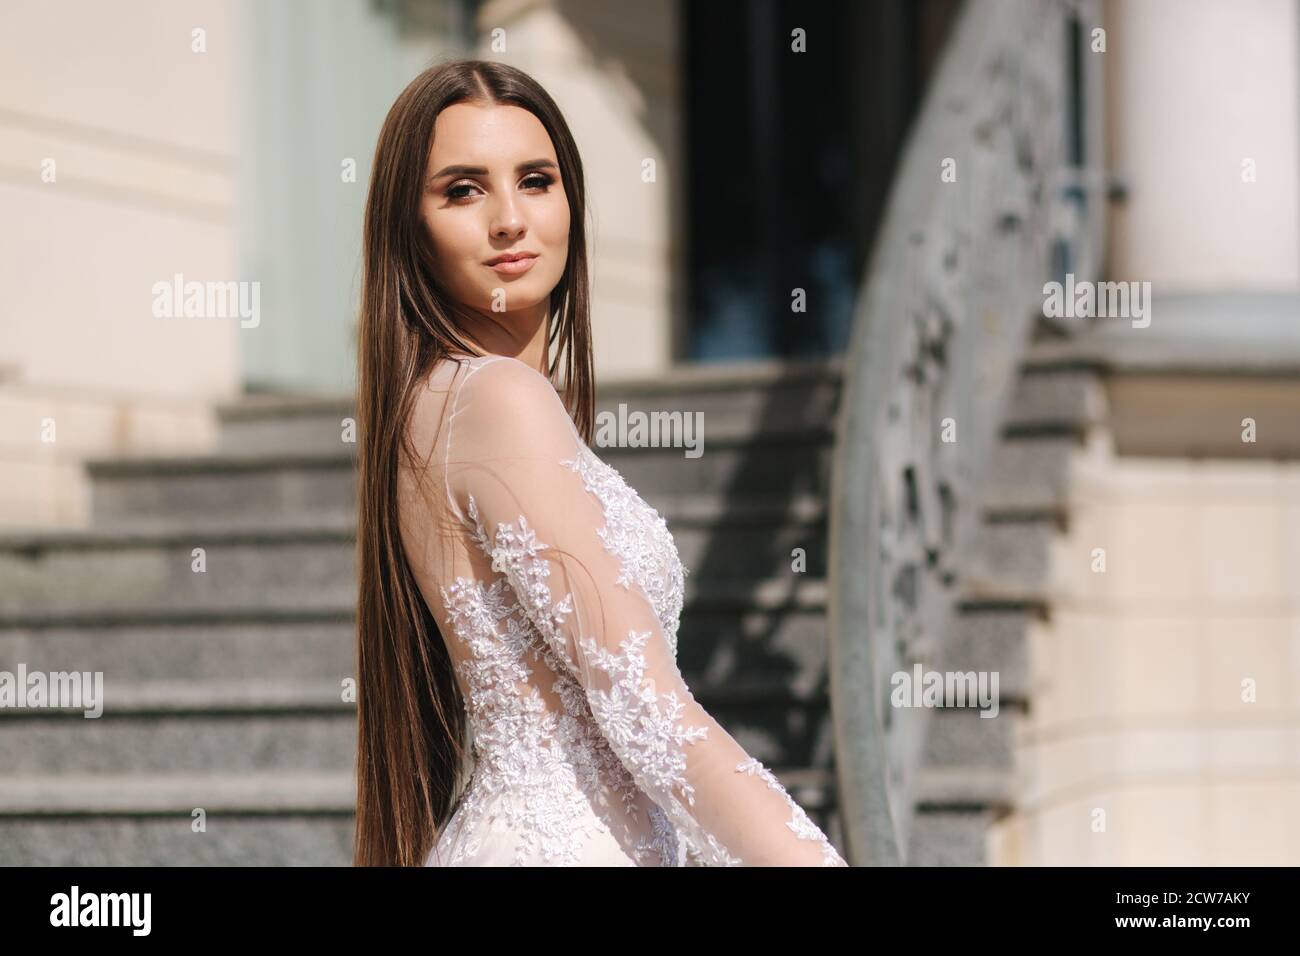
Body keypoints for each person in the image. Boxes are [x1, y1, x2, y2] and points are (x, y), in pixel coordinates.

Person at [353, 58, 847, 867]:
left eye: (536, 180)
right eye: (464, 190)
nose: (509, 219)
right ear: (410, 228)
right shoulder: (496, 398)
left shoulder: (440, 403)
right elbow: (645, 705)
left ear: (571, 201)